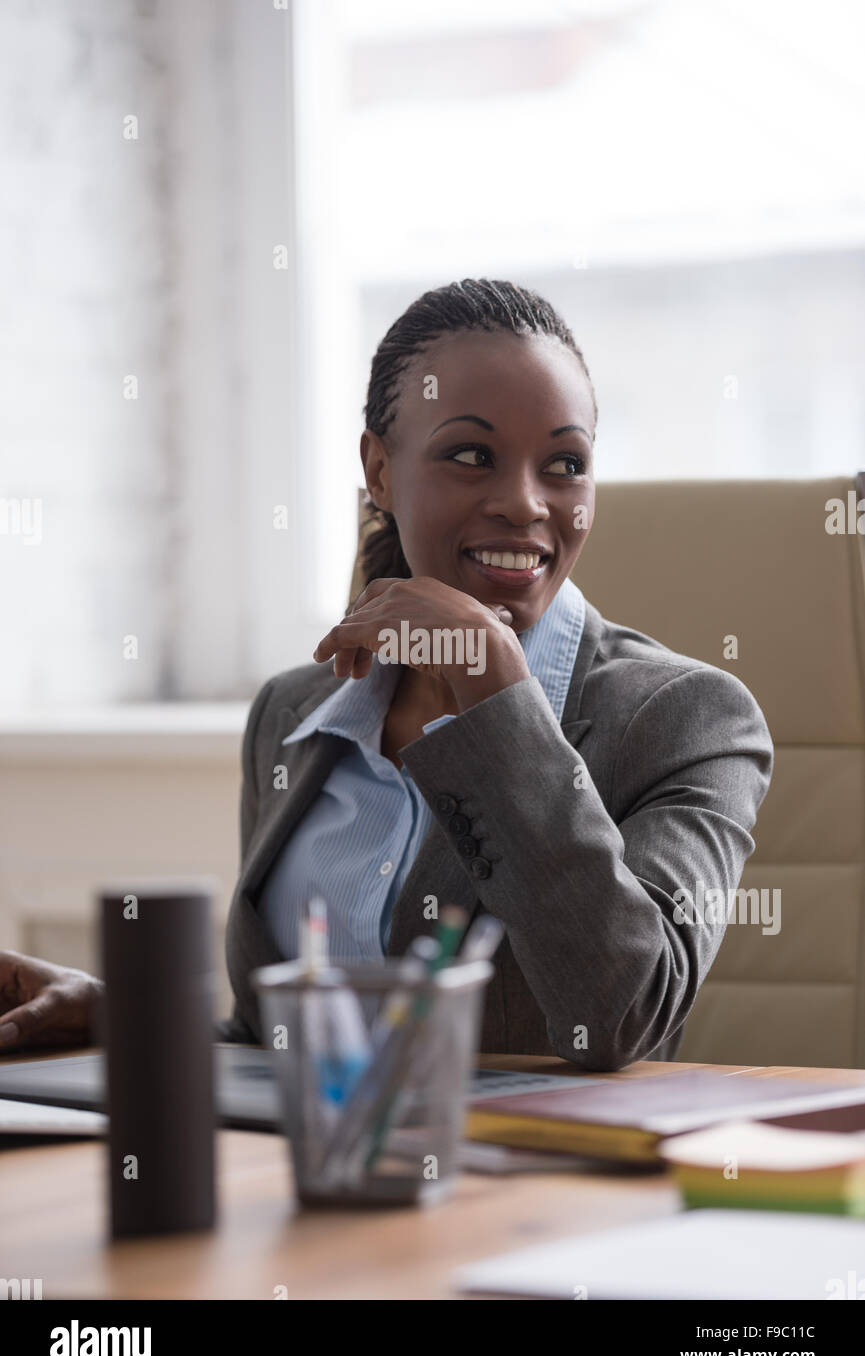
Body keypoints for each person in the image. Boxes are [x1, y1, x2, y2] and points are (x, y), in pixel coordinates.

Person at [0, 279, 773, 1070]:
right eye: (472, 456)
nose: (523, 502)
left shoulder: (689, 720)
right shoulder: (293, 715)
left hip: (537, 1182)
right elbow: (281, 1044)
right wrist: (124, 1017)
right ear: (378, 469)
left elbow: (625, 1016)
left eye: (564, 464)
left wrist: (499, 696)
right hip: (309, 1178)